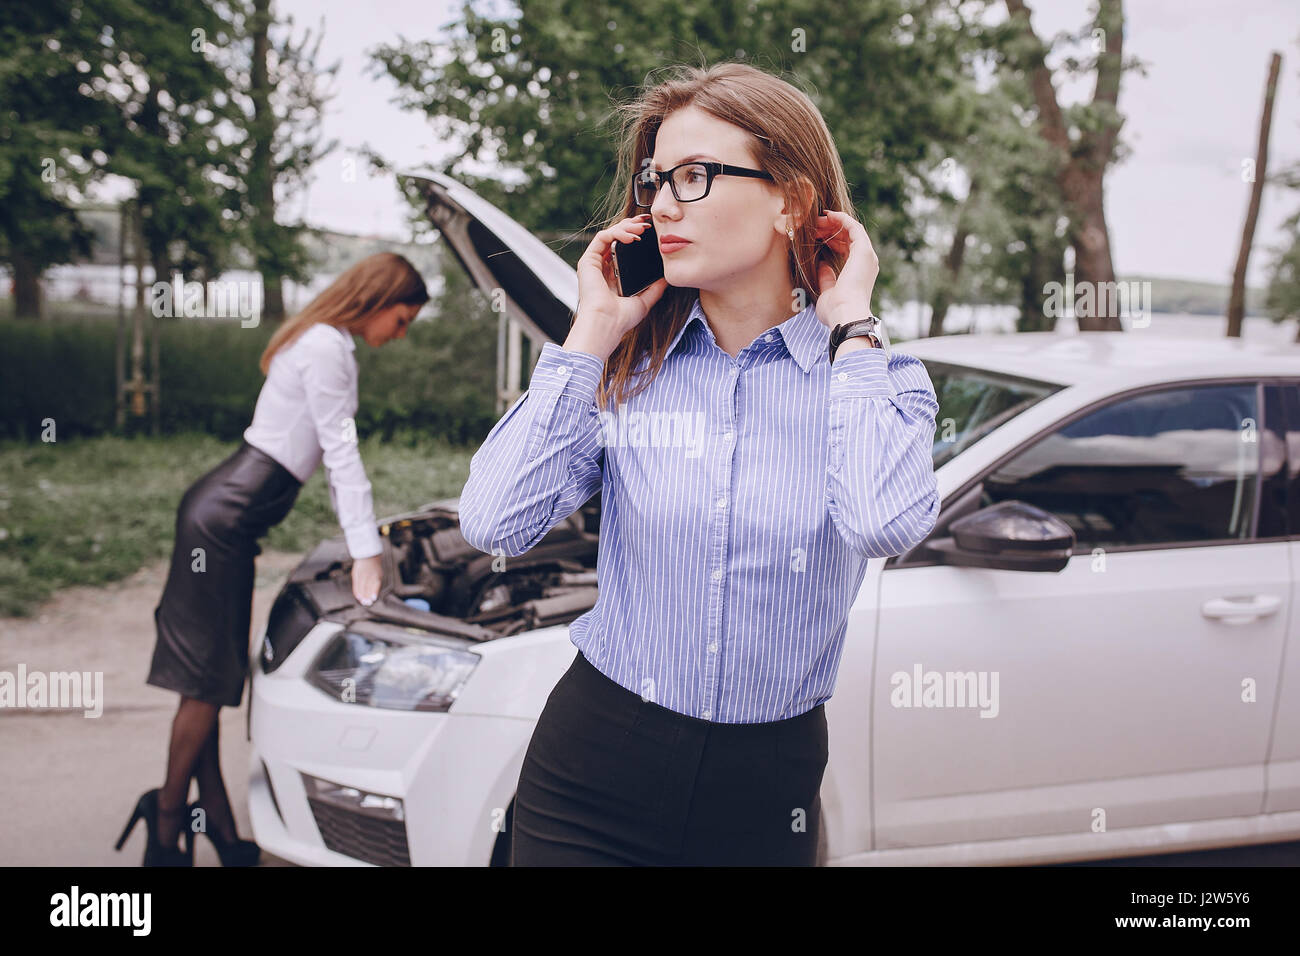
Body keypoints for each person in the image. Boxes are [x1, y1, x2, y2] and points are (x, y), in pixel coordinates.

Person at [457, 62, 942, 867]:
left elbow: (881, 520)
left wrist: (851, 320)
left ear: (790, 198)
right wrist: (590, 333)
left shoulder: (872, 380)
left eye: (695, 176)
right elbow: (493, 520)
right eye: (656, 180)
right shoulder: (625, 368)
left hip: (764, 792)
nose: (661, 205)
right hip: (593, 765)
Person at [115, 252, 428, 866]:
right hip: (221, 524)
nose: (401, 333)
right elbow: (341, 456)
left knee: (210, 682)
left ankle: (221, 830)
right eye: (403, 318)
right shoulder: (325, 347)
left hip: (226, 522)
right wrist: (366, 552)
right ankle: (167, 825)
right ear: (378, 299)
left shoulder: (324, 340)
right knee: (204, 685)